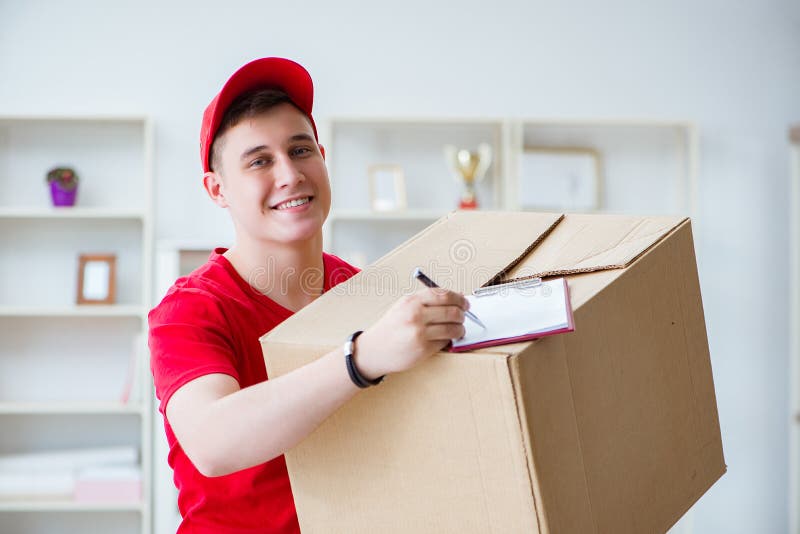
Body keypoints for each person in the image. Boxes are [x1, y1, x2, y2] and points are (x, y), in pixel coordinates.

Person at [148, 57, 470, 533]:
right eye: (259, 160)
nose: (290, 174)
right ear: (217, 189)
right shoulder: (190, 310)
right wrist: (360, 359)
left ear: (321, 157)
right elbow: (213, 443)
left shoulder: (365, 292)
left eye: (300, 151)